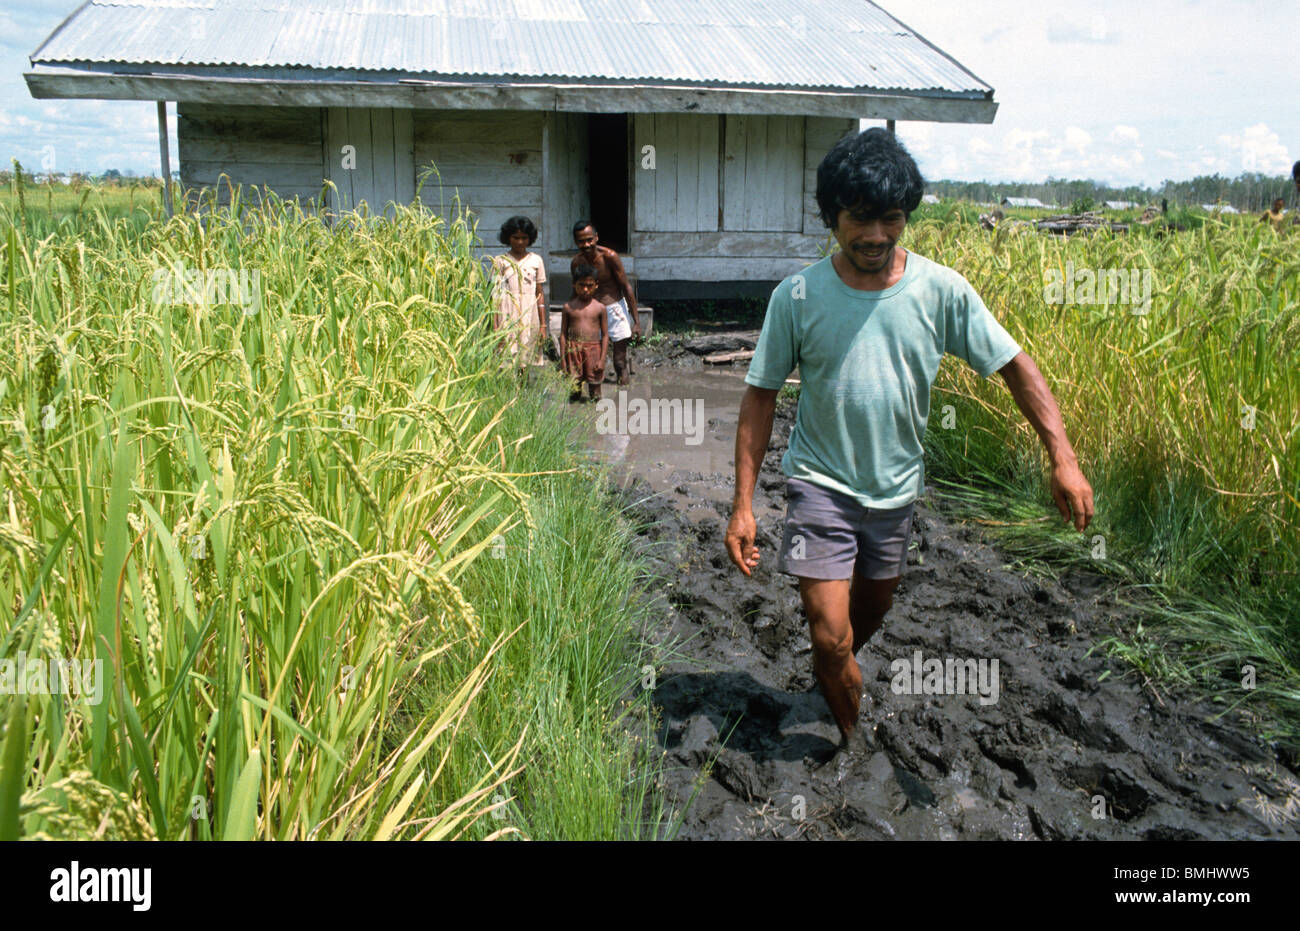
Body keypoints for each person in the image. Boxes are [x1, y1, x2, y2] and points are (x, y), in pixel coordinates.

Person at [724, 128, 1094, 761]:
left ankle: (834, 674)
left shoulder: (939, 290)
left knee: (869, 614)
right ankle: (852, 737)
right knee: (831, 636)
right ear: (831, 217)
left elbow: (1015, 365)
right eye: (859, 219)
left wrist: (1063, 456)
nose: (875, 235)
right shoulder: (798, 296)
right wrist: (743, 504)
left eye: (891, 219)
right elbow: (760, 398)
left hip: (896, 493)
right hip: (820, 486)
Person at [571, 221, 641, 386]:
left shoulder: (609, 257)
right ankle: (594, 395)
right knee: (590, 359)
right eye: (581, 241)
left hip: (614, 309)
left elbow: (626, 287)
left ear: (596, 237)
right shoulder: (576, 263)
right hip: (591, 312)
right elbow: (575, 291)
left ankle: (624, 394)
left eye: (589, 240)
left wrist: (636, 321)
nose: (586, 245)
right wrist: (572, 316)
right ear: (575, 242)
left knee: (619, 361)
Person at [491, 215, 548, 369]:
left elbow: (539, 294)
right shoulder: (501, 261)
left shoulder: (536, 260)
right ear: (508, 238)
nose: (520, 242)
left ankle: (523, 383)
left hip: (529, 313)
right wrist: (495, 326)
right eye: (516, 237)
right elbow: (494, 295)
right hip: (507, 313)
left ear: (530, 239)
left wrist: (543, 325)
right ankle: (509, 385)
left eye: (524, 238)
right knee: (506, 358)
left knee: (526, 358)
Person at [559, 264, 608, 402]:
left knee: (595, 391)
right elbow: (563, 335)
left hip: (593, 350)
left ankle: (595, 414)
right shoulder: (568, 307)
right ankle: (573, 413)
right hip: (573, 350)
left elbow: (605, 335)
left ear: (596, 285)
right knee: (574, 390)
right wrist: (563, 361)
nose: (585, 289)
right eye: (581, 285)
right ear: (574, 284)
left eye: (589, 285)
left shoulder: (600, 308)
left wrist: (602, 360)